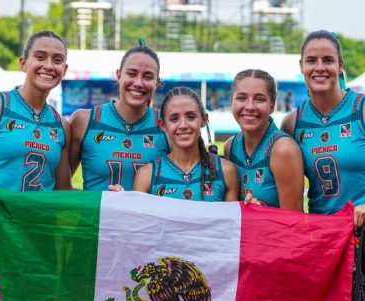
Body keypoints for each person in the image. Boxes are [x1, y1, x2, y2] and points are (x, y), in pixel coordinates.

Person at [280, 30, 365, 226]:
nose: (320, 68)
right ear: (301, 66)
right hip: (323, 237)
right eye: (311, 61)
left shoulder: (361, 109)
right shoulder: (292, 123)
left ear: (340, 65)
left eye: (328, 60)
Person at [0, 31, 72, 191]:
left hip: (39, 216)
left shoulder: (62, 125)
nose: (49, 66)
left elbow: (62, 191)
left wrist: (113, 198)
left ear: (64, 69)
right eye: (40, 57)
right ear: (23, 63)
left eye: (57, 60)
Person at [69, 43, 168, 191]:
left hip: (143, 215)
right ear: (119, 75)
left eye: (148, 77)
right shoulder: (84, 120)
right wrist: (102, 200)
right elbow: (61, 188)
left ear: (157, 83)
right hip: (97, 215)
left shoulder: (167, 127)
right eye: (132, 74)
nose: (138, 83)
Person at [134, 86, 239, 201]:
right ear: (162, 125)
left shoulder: (226, 171)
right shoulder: (146, 176)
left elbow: (233, 217)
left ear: (204, 120)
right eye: (174, 119)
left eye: (191, 117)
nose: (183, 125)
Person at [224, 69, 303, 209]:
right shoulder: (230, 146)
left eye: (259, 100)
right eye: (241, 98)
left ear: (272, 106)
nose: (249, 107)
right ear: (232, 102)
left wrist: (262, 212)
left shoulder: (283, 149)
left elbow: (293, 222)